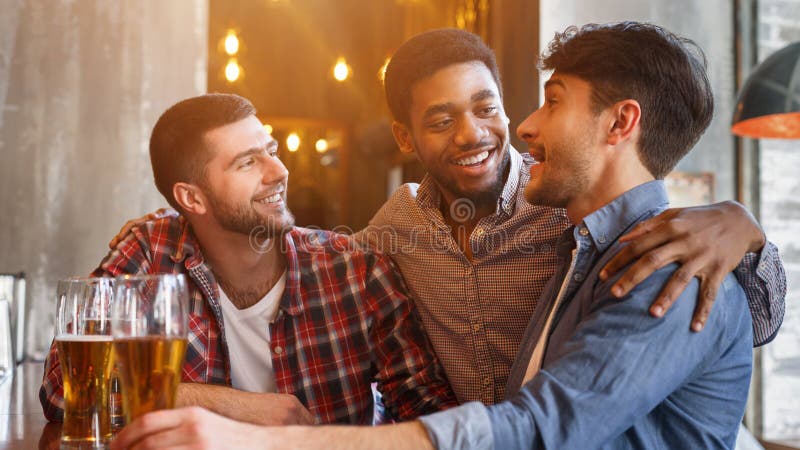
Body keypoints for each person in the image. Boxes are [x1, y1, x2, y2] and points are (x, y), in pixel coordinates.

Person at [111, 21, 757, 450]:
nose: (487, 132)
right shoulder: (390, 237)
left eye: (490, 108)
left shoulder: (577, 217)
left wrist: (745, 233)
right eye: (441, 119)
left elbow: (545, 423)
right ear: (405, 138)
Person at [40, 94, 457, 426]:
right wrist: (235, 407)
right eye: (248, 162)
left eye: (270, 150)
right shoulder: (152, 250)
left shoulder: (355, 269)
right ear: (191, 198)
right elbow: (66, 387)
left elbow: (428, 413)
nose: (279, 171)